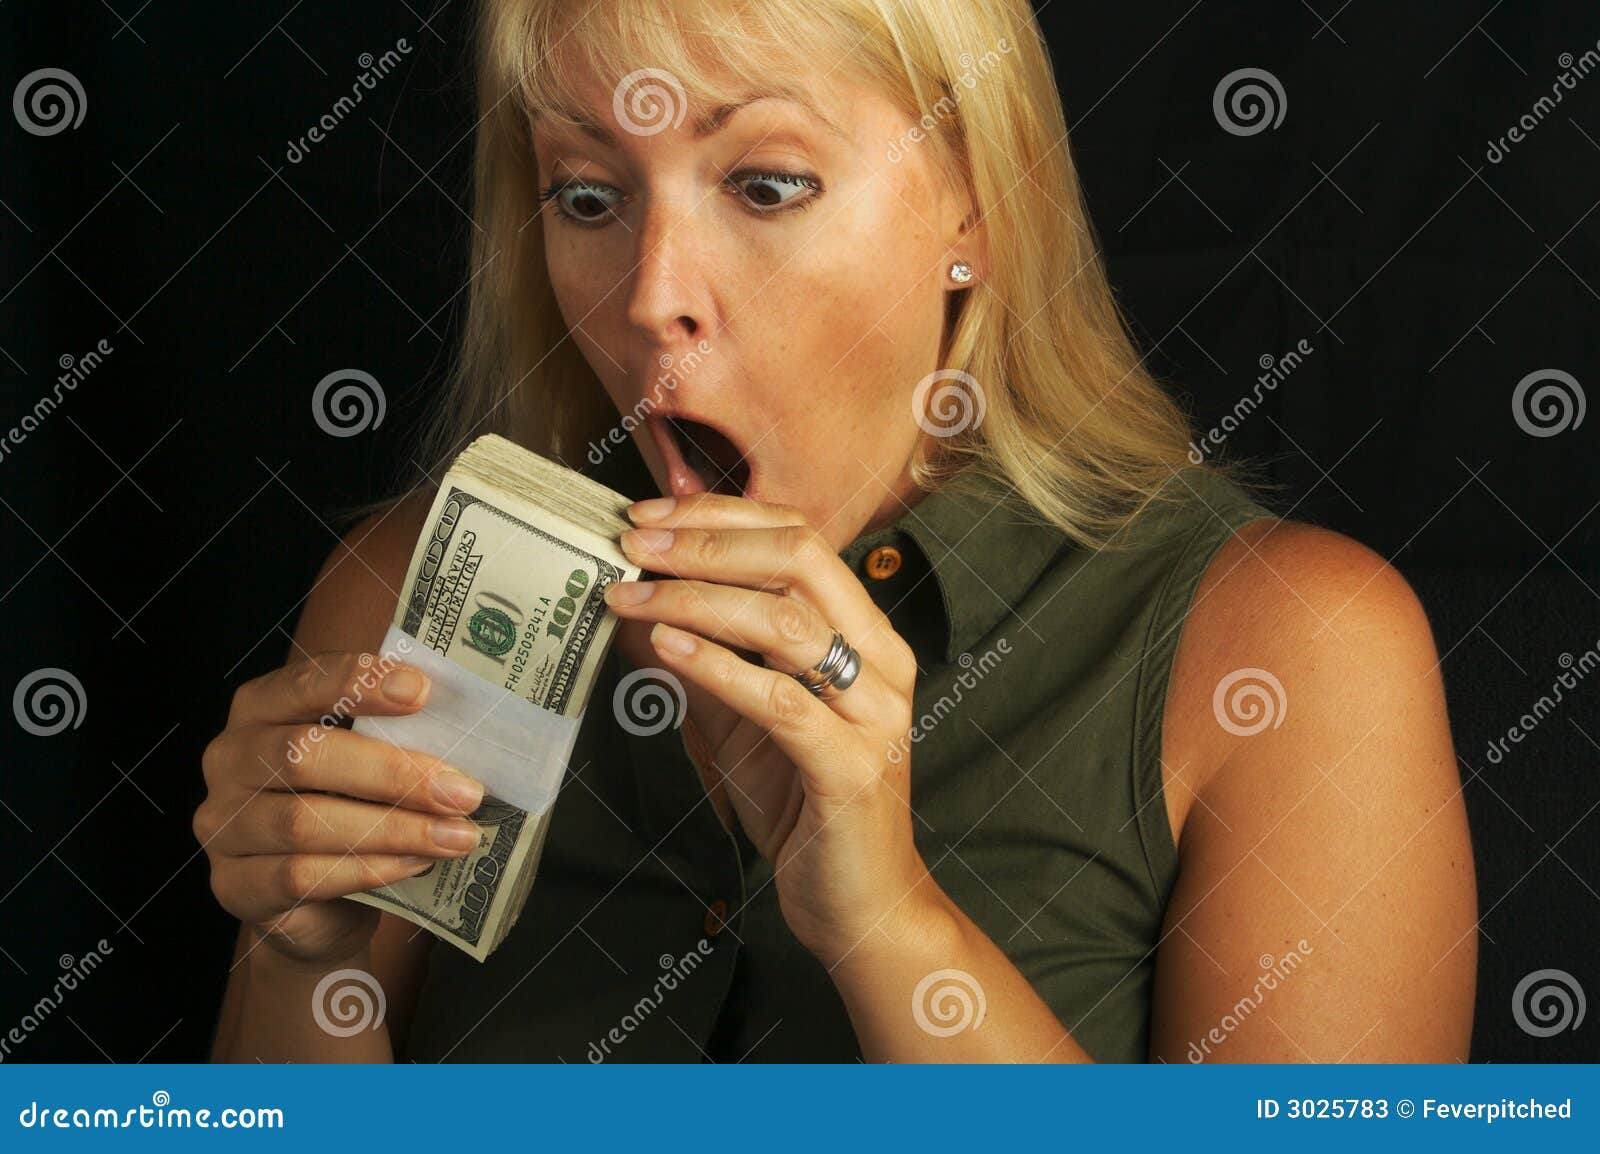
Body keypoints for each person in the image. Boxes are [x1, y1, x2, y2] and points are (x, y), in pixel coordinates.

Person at [196, 0, 1477, 1062]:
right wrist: (304, 955)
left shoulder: (1289, 651)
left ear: (974, 204)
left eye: (765, 183)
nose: (650, 299)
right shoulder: (401, 597)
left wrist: (891, 921)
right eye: (587, 195)